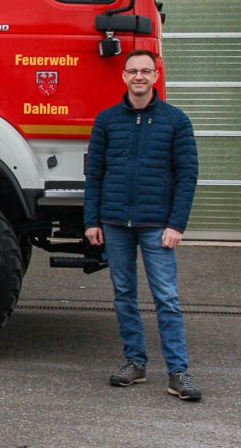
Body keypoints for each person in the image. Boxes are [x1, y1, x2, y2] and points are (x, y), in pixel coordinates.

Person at [85, 48, 202, 401]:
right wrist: (92, 219)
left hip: (157, 225)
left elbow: (187, 175)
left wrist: (176, 225)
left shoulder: (175, 121)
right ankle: (134, 363)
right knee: (124, 295)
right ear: (123, 76)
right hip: (115, 222)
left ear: (156, 76)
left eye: (146, 71)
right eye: (133, 70)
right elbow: (95, 174)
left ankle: (178, 372)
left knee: (166, 297)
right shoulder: (107, 121)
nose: (139, 76)